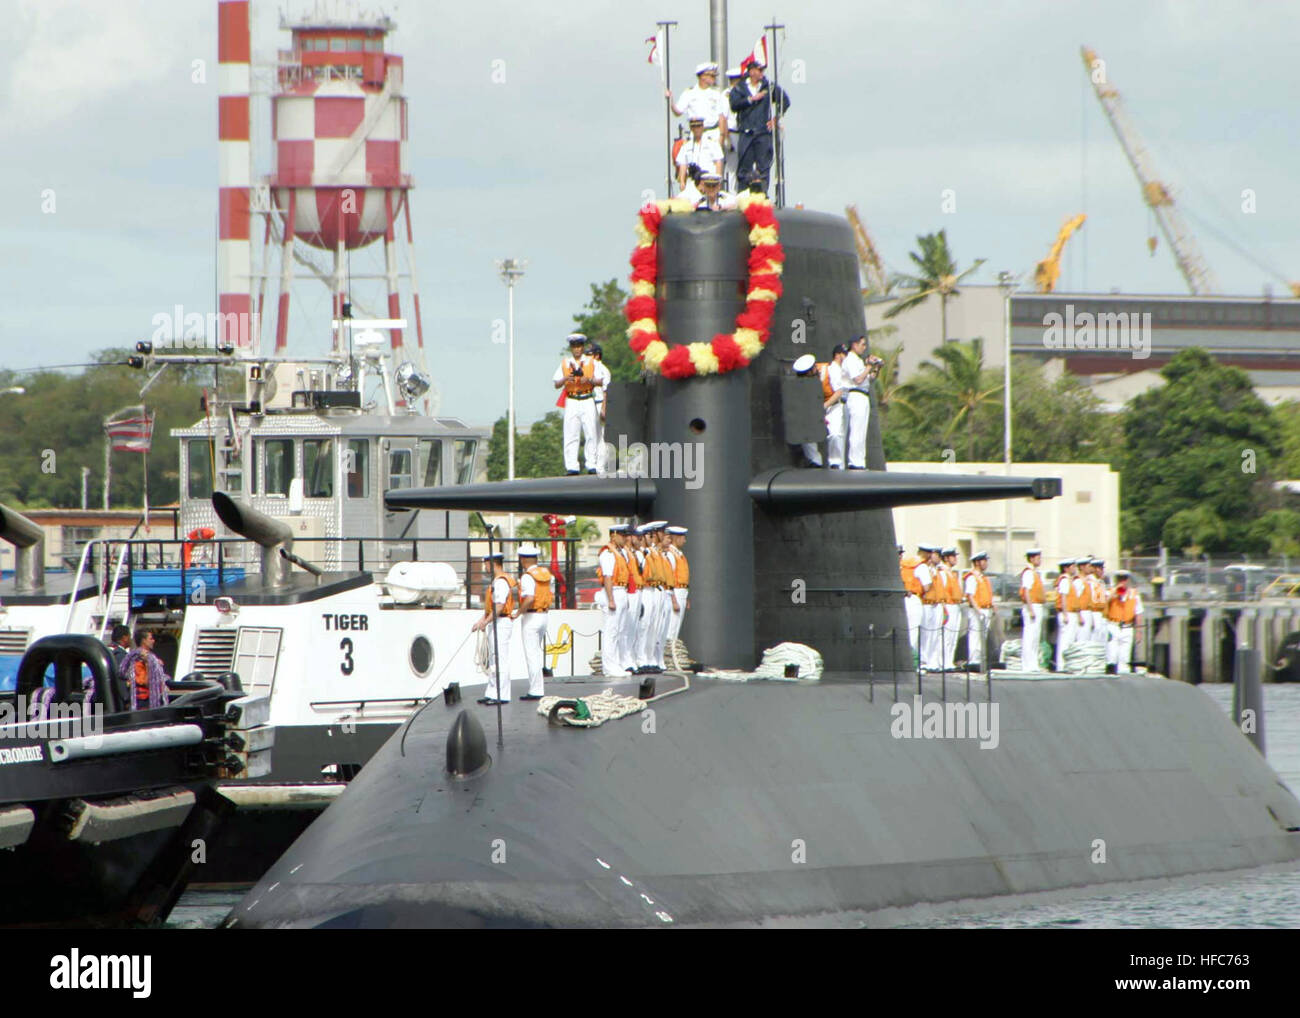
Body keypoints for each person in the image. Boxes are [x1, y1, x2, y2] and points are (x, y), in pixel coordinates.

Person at [729, 57, 790, 192]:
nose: (762, 73)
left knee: (763, 167)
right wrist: (750, 100)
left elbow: (784, 100)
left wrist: (776, 118)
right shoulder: (739, 88)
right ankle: (743, 194)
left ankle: (762, 194)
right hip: (746, 132)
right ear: (751, 71)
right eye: (759, 70)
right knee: (745, 166)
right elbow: (734, 105)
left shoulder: (768, 87)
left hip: (762, 132)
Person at [553, 332, 602, 475]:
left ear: (583, 347)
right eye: (574, 346)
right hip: (572, 399)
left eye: (579, 346)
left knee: (591, 432)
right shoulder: (565, 363)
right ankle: (572, 466)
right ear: (571, 348)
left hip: (587, 398)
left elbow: (600, 380)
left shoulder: (591, 362)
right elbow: (556, 383)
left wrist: (588, 379)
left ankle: (591, 464)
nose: (577, 349)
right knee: (571, 434)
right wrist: (565, 379)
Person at [471, 551, 516, 704]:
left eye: (486, 563)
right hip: (496, 622)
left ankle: (502, 695)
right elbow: (491, 608)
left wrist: (486, 621)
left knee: (500, 660)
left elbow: (499, 607)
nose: (485, 567)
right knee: (493, 660)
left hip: (501, 623)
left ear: (492, 563)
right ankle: (492, 692)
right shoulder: (496, 581)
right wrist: (481, 621)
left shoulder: (501, 582)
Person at [515, 545, 551, 701]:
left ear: (523, 560)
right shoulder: (545, 574)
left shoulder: (527, 576)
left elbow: (529, 598)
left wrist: (518, 612)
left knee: (532, 655)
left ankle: (536, 690)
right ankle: (538, 688)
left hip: (531, 617)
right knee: (536, 653)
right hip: (544, 615)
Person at [668, 62, 729, 152]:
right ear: (703, 77)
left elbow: (721, 118)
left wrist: (721, 137)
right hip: (696, 133)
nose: (714, 79)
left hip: (713, 133)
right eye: (711, 76)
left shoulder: (716, 94)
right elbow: (678, 112)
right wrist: (671, 101)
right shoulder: (689, 93)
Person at [839, 334, 879, 469]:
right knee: (856, 430)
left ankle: (859, 461)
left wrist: (877, 368)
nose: (864, 347)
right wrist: (868, 366)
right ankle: (854, 462)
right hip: (855, 396)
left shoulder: (857, 360)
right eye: (862, 344)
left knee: (861, 431)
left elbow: (869, 379)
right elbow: (857, 380)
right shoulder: (850, 360)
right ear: (854, 345)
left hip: (863, 396)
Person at [597, 525, 631, 676]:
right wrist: (611, 599)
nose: (626, 538)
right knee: (611, 632)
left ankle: (616, 664)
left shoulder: (620, 553)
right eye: (622, 535)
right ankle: (609, 667)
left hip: (621, 590)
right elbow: (607, 577)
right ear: (614, 535)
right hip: (614, 591)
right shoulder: (608, 553)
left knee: (619, 631)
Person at [120, 627, 171, 710]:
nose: (153, 641)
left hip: (150, 699)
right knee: (97, 721)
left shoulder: (151, 657)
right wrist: (148, 664)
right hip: (143, 702)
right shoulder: (138, 659)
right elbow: (147, 682)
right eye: (151, 639)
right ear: (143, 640)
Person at [1106, 570, 1144, 673]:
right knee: (1112, 654)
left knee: (1125, 656)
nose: (1122, 582)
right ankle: (1111, 671)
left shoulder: (1134, 594)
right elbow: (1103, 604)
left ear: (1127, 580)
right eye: (1120, 579)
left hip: (1127, 626)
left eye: (1124, 579)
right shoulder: (1110, 592)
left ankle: (1124, 673)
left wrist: (1139, 631)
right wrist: (1115, 592)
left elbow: (1138, 613)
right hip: (1113, 625)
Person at [675, 117, 724, 193]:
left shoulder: (713, 144)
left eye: (698, 126)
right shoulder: (686, 146)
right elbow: (683, 164)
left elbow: (719, 162)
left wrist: (718, 182)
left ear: (702, 126)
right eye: (693, 126)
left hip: (709, 182)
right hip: (692, 183)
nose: (696, 129)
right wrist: (682, 182)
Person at [964, 551, 994, 672]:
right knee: (975, 636)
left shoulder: (982, 578)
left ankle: (980, 660)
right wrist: (978, 610)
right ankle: (973, 661)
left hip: (986, 609)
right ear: (977, 562)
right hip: (977, 610)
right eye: (983, 561)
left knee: (983, 636)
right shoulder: (971, 577)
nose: (986, 563)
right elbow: (970, 596)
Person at [916, 545, 943, 672]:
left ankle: (931, 662)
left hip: (934, 604)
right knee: (925, 634)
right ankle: (922, 661)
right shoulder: (922, 568)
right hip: (925, 605)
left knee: (933, 635)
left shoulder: (934, 570)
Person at [1019, 549, 1046, 672]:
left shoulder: (1035, 573)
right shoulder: (1028, 573)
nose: (1040, 560)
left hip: (1037, 605)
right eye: (1038, 558)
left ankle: (1033, 663)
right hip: (1032, 606)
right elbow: (1026, 591)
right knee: (1029, 636)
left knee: (1035, 637)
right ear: (1031, 559)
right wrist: (1030, 609)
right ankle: (1027, 665)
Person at [587, 341, 612, 475]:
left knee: (603, 437)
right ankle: (592, 464)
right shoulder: (588, 368)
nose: (587, 356)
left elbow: (606, 390)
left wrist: (604, 408)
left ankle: (600, 466)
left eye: (590, 354)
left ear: (597, 355)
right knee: (592, 436)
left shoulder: (603, 369)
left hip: (599, 402)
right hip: (590, 404)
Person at [665, 526, 690, 656]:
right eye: (683, 538)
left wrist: (686, 598)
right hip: (675, 592)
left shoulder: (679, 554)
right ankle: (669, 655)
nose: (685, 541)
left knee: (676, 627)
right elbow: (669, 579)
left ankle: (672, 655)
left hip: (682, 592)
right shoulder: (671, 554)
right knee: (671, 627)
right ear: (677, 538)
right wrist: (674, 600)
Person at [899, 544, 925, 665]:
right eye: (898, 554)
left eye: (900, 554)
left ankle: (910, 660)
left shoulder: (906, 569)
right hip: (901, 600)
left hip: (909, 599)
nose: (900, 556)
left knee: (912, 631)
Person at [940, 547, 963, 670]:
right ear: (946, 558)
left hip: (956, 606)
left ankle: (949, 661)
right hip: (948, 606)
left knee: (953, 637)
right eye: (953, 556)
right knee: (947, 636)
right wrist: (944, 609)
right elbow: (942, 592)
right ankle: (944, 661)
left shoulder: (952, 573)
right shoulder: (943, 573)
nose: (955, 559)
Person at [1054, 558, 1079, 671]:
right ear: (1066, 568)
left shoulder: (1070, 580)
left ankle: (1067, 664)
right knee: (1065, 640)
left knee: (1070, 640)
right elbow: (1063, 597)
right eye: (1072, 566)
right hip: (1067, 613)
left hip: (1071, 612)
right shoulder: (1064, 580)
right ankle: (1061, 665)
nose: (1074, 568)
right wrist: (1065, 614)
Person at [722, 66, 743, 188]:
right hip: (732, 133)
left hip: (742, 133)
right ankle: (732, 192)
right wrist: (727, 138)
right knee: (732, 168)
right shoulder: (726, 95)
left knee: (742, 166)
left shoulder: (742, 94)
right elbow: (723, 117)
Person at [107, 624, 132, 709]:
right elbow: (120, 678)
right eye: (129, 636)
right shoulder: (120, 655)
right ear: (124, 638)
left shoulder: (108, 651)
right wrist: (126, 698)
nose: (130, 639)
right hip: (117, 700)